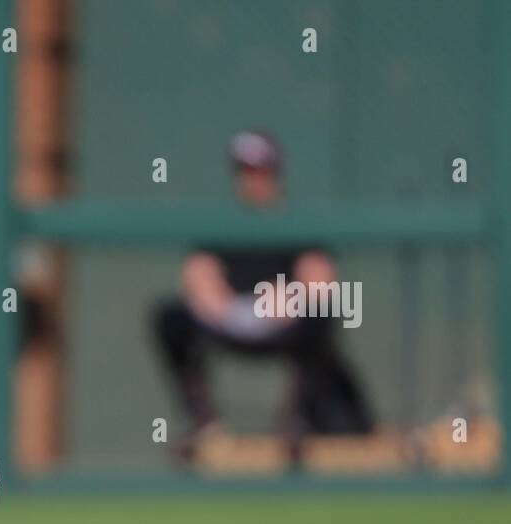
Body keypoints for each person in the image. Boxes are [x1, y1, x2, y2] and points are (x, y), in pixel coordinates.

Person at [150, 131, 374, 462]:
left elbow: (321, 276)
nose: (254, 180)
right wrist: (213, 300)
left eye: (261, 171)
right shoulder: (223, 227)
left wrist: (294, 296)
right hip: (231, 318)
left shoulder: (296, 225)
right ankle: (203, 421)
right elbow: (199, 272)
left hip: (284, 321)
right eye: (246, 171)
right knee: (169, 316)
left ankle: (296, 419)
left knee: (324, 313)